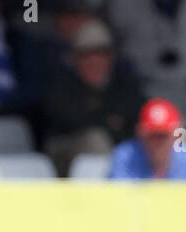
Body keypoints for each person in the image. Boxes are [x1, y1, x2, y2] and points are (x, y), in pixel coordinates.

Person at [43, 19, 144, 177]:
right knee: (95, 139)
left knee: (160, 138)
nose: (94, 60)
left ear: (111, 57)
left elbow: (137, 117)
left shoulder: (125, 84)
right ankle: (107, 194)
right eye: (86, 54)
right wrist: (111, 120)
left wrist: (103, 118)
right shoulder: (61, 85)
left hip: (118, 147)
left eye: (101, 53)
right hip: (65, 154)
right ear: (74, 59)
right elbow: (69, 120)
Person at [107, 98, 186, 180]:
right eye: (152, 135)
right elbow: (117, 200)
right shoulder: (125, 157)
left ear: (177, 135)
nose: (157, 142)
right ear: (140, 133)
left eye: (163, 135)